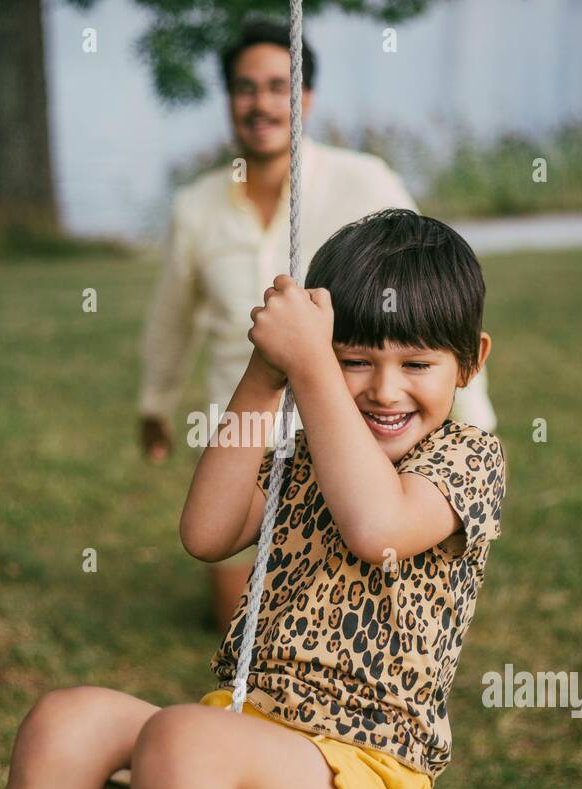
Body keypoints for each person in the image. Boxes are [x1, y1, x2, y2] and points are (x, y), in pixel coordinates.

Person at [2, 208, 506, 789]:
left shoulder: (466, 460)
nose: (386, 390)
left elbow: (375, 526)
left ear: (470, 363)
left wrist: (315, 368)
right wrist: (266, 374)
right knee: (62, 722)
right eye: (353, 360)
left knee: (184, 739)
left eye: (416, 363)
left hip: (359, 776)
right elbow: (206, 532)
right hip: (239, 737)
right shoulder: (303, 461)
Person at [138, 19, 496, 635]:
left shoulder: (366, 181)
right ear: (229, 100)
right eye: (245, 88)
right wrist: (161, 400)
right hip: (253, 425)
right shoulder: (197, 205)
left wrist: (473, 412)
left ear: (305, 97)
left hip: (358, 425)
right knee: (240, 625)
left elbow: (426, 309)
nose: (262, 102)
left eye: (279, 85)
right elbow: (171, 317)